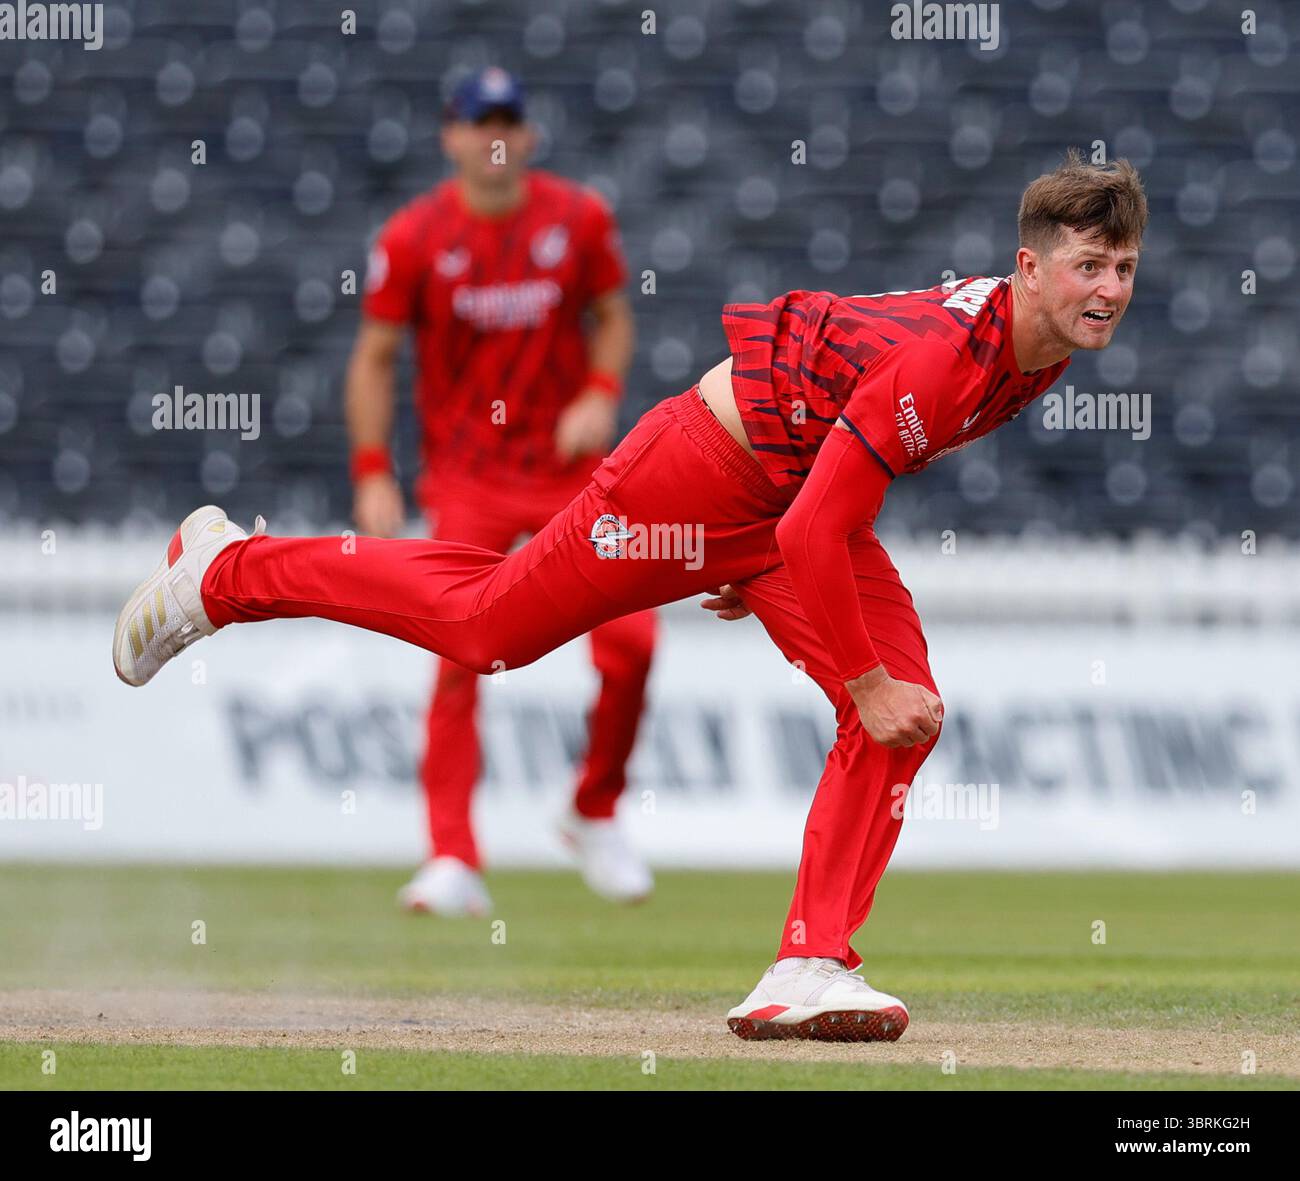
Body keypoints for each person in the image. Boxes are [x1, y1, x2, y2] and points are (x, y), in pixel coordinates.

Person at [114, 150, 1146, 1041]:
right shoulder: (950, 362)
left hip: (777, 494)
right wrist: (831, 637)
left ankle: (806, 965)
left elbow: (818, 502)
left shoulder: (1038, 347)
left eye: (1124, 267)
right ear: (1028, 264)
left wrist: (785, 581)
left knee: (903, 711)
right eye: (1087, 263)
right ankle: (224, 574)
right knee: (488, 627)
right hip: (694, 476)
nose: (1108, 286)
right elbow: (815, 525)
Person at [345, 67, 656, 916]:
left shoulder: (578, 217)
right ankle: (451, 856)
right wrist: (373, 469)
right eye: (478, 121)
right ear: (449, 136)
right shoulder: (412, 238)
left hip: (568, 477)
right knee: (458, 654)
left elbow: (614, 317)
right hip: (470, 477)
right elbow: (374, 356)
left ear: (529, 135)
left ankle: (595, 808)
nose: (495, 135)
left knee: (631, 643)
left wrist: (598, 392)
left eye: (509, 120)